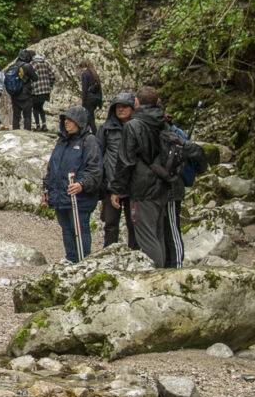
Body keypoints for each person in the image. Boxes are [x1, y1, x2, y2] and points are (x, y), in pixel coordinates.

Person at [112, 86, 187, 268]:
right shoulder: (162, 122)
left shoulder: (133, 126)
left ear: (137, 102)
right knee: (158, 233)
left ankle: (154, 275)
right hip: (161, 185)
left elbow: (126, 161)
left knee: (146, 236)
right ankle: (162, 271)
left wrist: (117, 189)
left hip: (142, 187)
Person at [43, 105, 103, 262]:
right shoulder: (62, 141)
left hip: (79, 198)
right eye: (65, 119)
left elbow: (95, 170)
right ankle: (71, 260)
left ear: (80, 122)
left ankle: (83, 262)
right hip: (61, 196)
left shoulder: (89, 141)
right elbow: (53, 167)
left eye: (70, 119)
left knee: (80, 230)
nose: (66, 122)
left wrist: (82, 184)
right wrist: (46, 189)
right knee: (67, 230)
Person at [99, 92, 137, 250]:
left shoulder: (138, 127)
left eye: (124, 106)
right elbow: (99, 155)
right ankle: (108, 254)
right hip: (111, 184)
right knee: (110, 224)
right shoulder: (106, 129)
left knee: (133, 224)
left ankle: (135, 255)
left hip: (133, 185)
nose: (120, 109)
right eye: (117, 107)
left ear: (133, 108)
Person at [29, 49, 57, 131]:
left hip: (36, 90)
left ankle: (38, 125)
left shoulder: (32, 64)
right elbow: (52, 75)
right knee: (41, 107)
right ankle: (44, 125)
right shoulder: (46, 63)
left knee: (35, 108)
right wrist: (49, 85)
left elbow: (30, 77)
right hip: (46, 91)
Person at [4, 55, 29, 129]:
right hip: (22, 92)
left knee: (16, 114)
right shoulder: (21, 68)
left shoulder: (10, 68)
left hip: (13, 93)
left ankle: (15, 128)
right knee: (26, 114)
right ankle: (27, 129)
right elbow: (22, 78)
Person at [78, 63, 103, 130]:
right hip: (96, 99)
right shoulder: (94, 73)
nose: (79, 71)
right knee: (90, 117)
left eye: (79, 69)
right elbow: (99, 88)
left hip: (89, 99)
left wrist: (83, 102)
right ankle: (92, 132)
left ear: (82, 67)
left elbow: (85, 89)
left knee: (90, 118)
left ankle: (94, 133)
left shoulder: (85, 74)